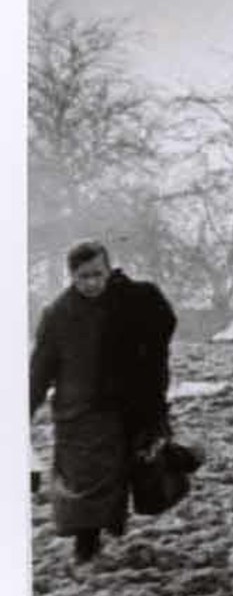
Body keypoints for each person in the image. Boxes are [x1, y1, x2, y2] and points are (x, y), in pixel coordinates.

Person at [29, 241, 178, 565]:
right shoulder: (57, 314)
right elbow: (41, 366)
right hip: (77, 410)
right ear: (72, 276)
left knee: (119, 475)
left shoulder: (130, 300)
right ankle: (86, 547)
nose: (91, 283)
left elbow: (164, 324)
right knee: (84, 482)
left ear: (109, 270)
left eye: (98, 274)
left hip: (122, 405)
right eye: (83, 277)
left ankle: (98, 539)